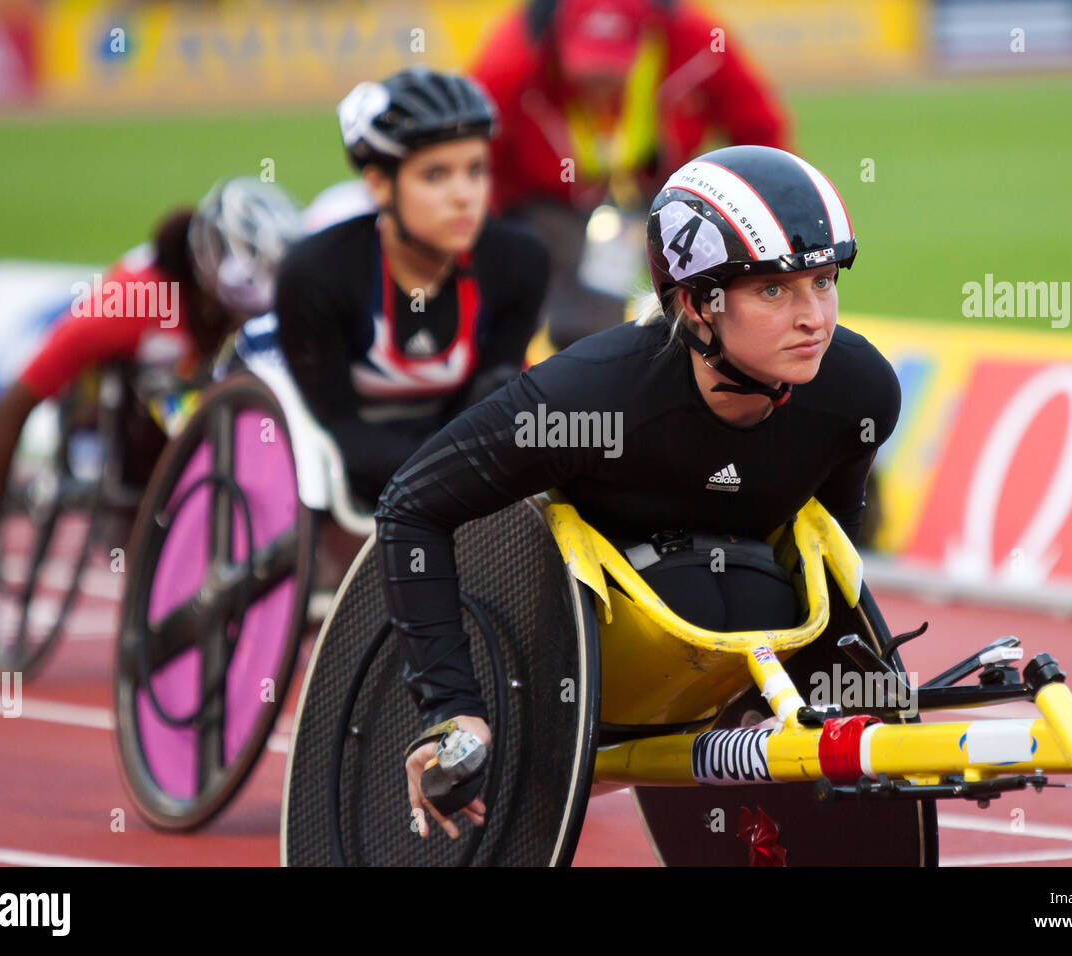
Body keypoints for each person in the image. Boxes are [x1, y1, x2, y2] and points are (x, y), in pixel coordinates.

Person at [373, 144, 901, 838]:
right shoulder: (589, 399)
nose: (815, 318)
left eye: (824, 281)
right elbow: (411, 505)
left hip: (743, 636)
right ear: (697, 305)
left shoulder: (860, 394)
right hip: (572, 643)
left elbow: (826, 544)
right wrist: (451, 708)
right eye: (774, 290)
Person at [0, 177, 303, 614]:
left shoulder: (271, 303)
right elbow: (13, 404)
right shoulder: (133, 301)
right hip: (120, 395)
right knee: (157, 412)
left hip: (195, 382)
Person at [273, 67, 549, 511]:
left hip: (450, 468)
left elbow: (488, 405)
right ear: (379, 184)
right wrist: (466, 472)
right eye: (436, 175)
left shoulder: (521, 262)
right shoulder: (316, 274)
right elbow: (338, 431)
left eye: (476, 170)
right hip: (334, 475)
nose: (465, 196)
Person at [471, 0, 790, 346]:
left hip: (652, 196)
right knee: (532, 316)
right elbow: (474, 152)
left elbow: (758, 126)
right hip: (543, 201)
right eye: (589, 68)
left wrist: (772, 215)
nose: (600, 82)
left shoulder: (696, 40)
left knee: (605, 326)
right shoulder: (512, 58)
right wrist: (484, 236)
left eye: (611, 68)